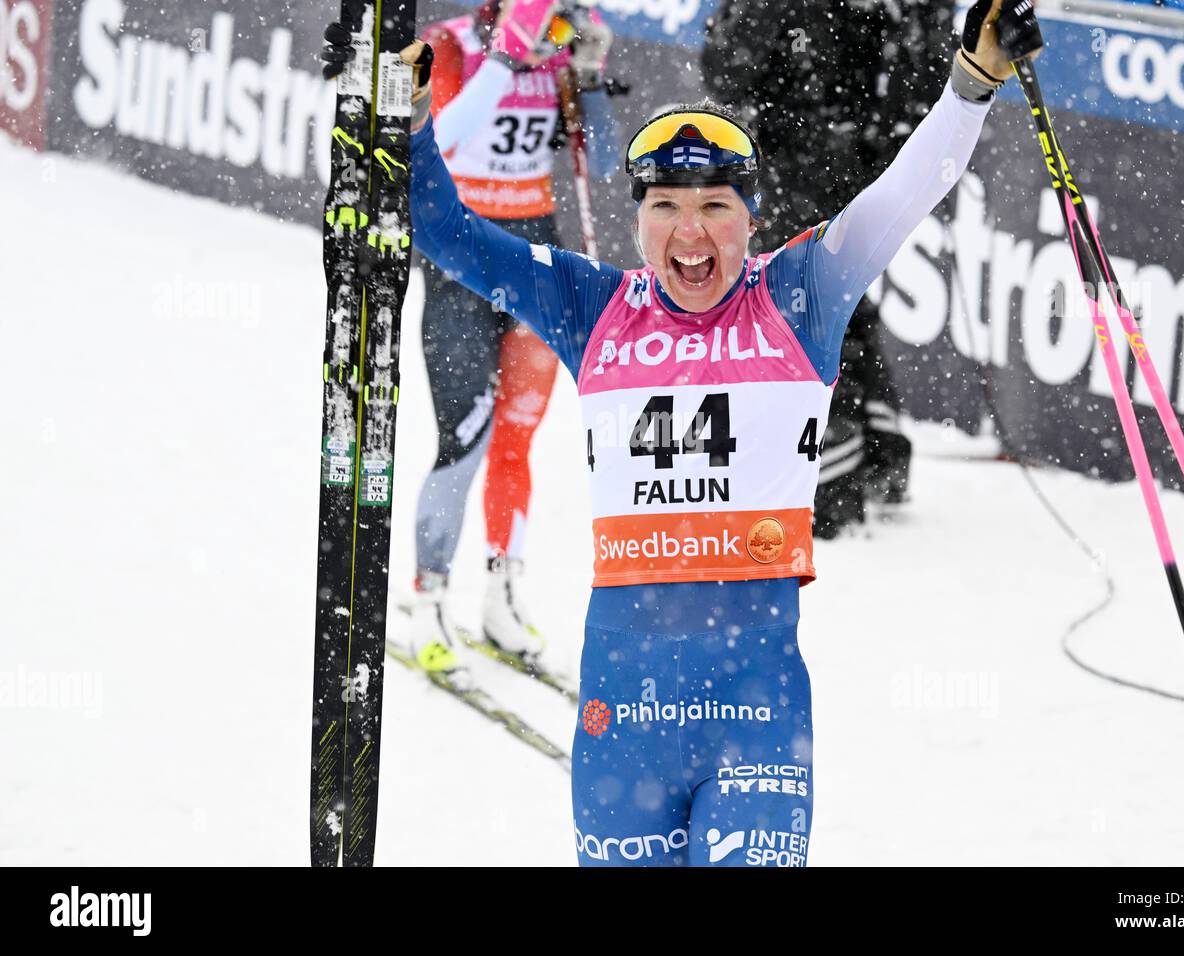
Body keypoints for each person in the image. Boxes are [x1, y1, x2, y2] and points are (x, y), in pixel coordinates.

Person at [381, 0, 1040, 865]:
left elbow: (910, 188)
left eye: (716, 206)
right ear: (640, 216)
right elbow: (446, 232)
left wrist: (971, 83)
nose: (690, 233)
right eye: (664, 206)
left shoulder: (801, 294)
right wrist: (406, 111)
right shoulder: (594, 308)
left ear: (754, 217)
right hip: (624, 726)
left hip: (755, 719)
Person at [405, 0, 620, 675]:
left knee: (516, 437)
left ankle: (500, 593)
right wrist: (502, 60)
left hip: (534, 254)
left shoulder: (556, 49)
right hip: (462, 252)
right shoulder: (452, 44)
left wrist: (587, 76)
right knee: (462, 438)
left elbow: (607, 161)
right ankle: (429, 599)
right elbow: (443, 140)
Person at [702, 0, 957, 535]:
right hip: (834, 153)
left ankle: (835, 484)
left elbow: (728, 66)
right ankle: (879, 458)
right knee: (839, 304)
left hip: (831, 156)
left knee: (811, 307)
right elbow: (727, 68)